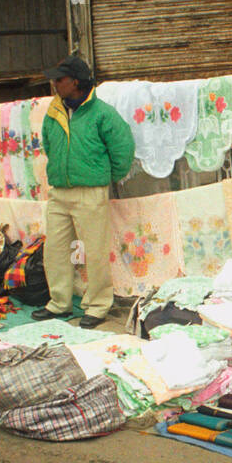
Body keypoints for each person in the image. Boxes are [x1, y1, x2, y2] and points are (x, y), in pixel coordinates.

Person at [33, 55, 136, 329]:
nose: (54, 84)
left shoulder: (102, 113)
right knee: (54, 250)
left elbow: (123, 149)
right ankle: (58, 304)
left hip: (90, 191)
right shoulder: (54, 112)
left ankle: (98, 306)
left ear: (75, 82)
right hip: (59, 192)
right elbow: (49, 145)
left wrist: (105, 177)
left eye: (59, 79)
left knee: (95, 251)